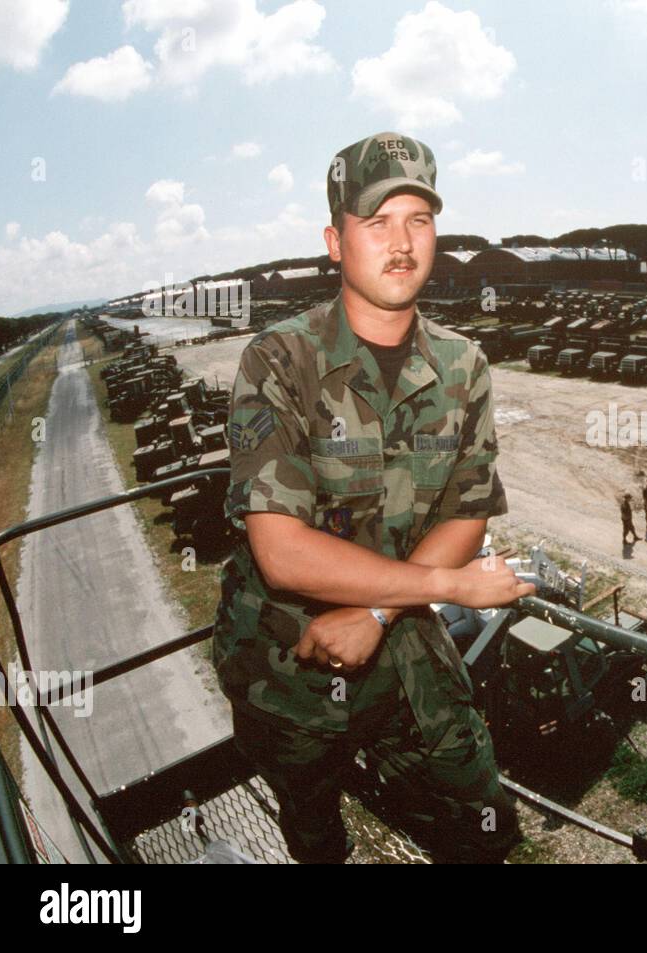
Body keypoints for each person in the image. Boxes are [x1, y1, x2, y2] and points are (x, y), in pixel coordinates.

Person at [213, 131, 536, 864]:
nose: (402, 242)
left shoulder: (463, 365)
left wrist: (383, 608)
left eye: (418, 220)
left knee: (482, 817)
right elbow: (283, 551)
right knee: (314, 826)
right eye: (376, 221)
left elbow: (467, 507)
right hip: (287, 660)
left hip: (403, 644)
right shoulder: (279, 360)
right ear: (335, 240)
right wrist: (448, 584)